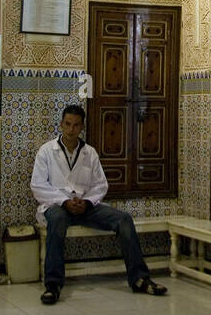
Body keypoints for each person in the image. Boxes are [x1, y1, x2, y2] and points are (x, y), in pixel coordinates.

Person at [31, 104, 167, 304]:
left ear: (82, 127)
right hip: (57, 206)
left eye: (76, 125)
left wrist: (86, 202)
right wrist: (64, 201)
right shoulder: (46, 151)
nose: (71, 130)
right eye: (67, 124)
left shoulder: (90, 153)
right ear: (61, 124)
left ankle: (140, 279)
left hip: (86, 207)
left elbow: (100, 186)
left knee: (123, 220)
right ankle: (53, 285)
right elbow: (38, 186)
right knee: (57, 220)